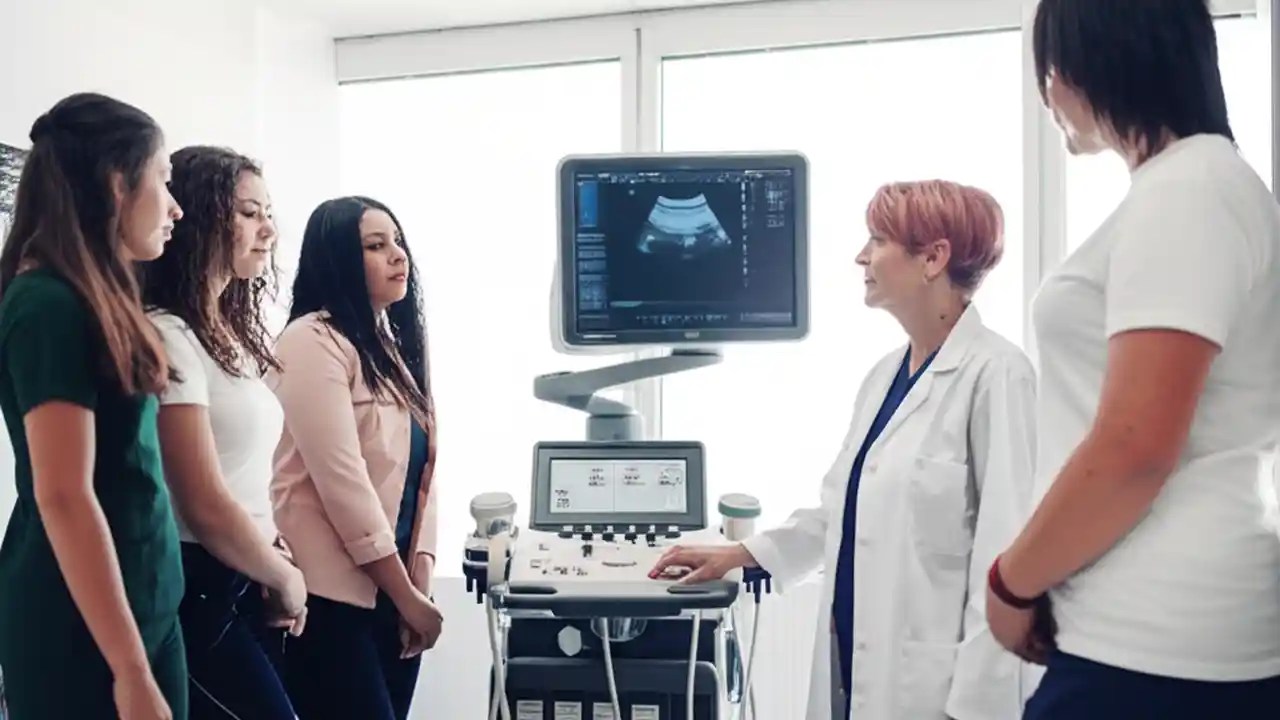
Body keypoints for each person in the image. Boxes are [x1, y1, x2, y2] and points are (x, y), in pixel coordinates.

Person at [985, 0, 1280, 716]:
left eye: (1048, 67)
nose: (1046, 92)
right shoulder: (1201, 186)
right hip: (1165, 635)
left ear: (1090, 62)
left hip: (1152, 643)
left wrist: (1010, 585)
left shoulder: (1189, 188)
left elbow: (1135, 447)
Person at [650, 180, 1036, 719]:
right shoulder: (884, 377)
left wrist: (979, 706)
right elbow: (841, 514)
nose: (862, 256)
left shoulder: (997, 375)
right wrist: (743, 555)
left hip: (937, 693)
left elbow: (1007, 553)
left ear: (933, 258)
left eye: (878, 240)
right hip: (857, 672)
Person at [0, 93, 187, 719]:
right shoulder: (46, 304)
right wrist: (129, 670)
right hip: (85, 637)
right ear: (116, 183)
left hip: (145, 615)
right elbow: (63, 494)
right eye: (163, 178)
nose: (175, 206)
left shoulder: (95, 298)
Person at [137, 145, 308, 719]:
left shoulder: (225, 336)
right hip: (197, 586)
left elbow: (241, 479)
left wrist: (269, 555)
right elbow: (203, 501)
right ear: (200, 218)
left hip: (243, 578)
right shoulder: (167, 334)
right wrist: (282, 575)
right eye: (249, 213)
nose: (268, 230)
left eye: (268, 214)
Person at [268, 196, 442, 720]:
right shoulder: (310, 341)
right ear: (338, 259)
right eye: (375, 245)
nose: (398, 255)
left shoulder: (389, 350)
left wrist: (419, 582)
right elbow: (342, 482)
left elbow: (423, 479)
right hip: (331, 600)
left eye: (397, 242)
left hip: (394, 593)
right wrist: (404, 594)